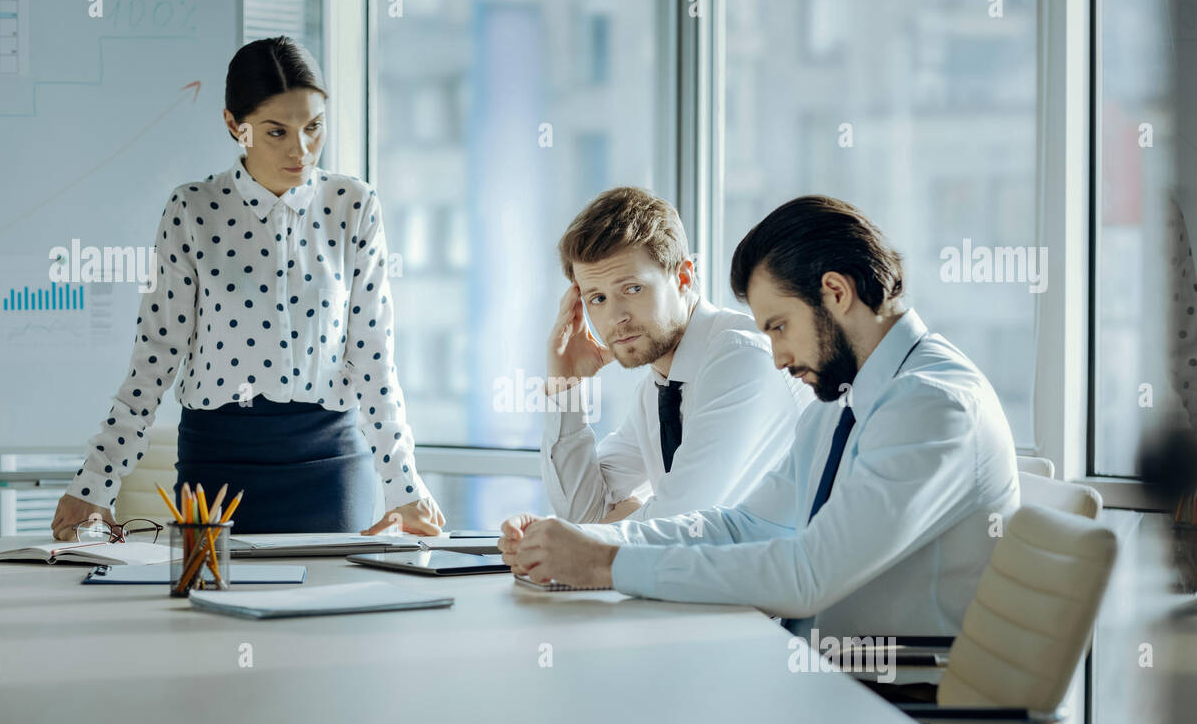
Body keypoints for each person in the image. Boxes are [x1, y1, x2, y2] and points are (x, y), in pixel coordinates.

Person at [500, 195, 1019, 641]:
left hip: (888, 693)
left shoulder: (932, 404)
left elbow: (809, 574)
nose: (776, 357)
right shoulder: (844, 397)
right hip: (805, 661)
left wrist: (602, 565)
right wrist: (582, 544)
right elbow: (742, 524)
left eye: (778, 326)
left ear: (836, 294)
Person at [51, 36, 443, 538]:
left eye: (313, 127)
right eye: (277, 131)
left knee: (327, 611)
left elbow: (373, 357)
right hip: (217, 465)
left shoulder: (353, 205)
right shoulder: (192, 208)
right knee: (205, 612)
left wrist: (404, 486)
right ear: (235, 126)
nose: (300, 150)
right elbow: (156, 354)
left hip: (329, 464)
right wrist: (96, 483)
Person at [542, 187, 809, 524]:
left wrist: (612, 525)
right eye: (597, 298)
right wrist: (564, 384)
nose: (615, 317)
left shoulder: (739, 357)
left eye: (632, 289)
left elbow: (680, 524)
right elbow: (580, 514)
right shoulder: (656, 390)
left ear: (683, 277)